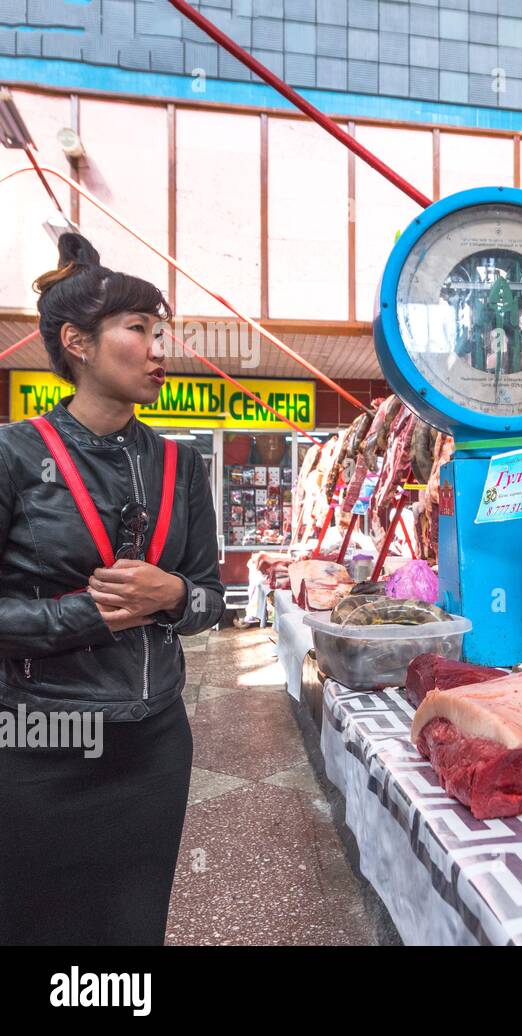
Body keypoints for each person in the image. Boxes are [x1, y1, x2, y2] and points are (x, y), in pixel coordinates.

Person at [0, 233, 226, 945]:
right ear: (78, 342)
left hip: (153, 742)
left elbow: (212, 597)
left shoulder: (181, 467)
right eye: (139, 330)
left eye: (163, 332)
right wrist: (85, 615)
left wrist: (172, 597)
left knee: (130, 928)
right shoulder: (14, 454)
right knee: (32, 922)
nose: (161, 350)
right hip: (37, 739)